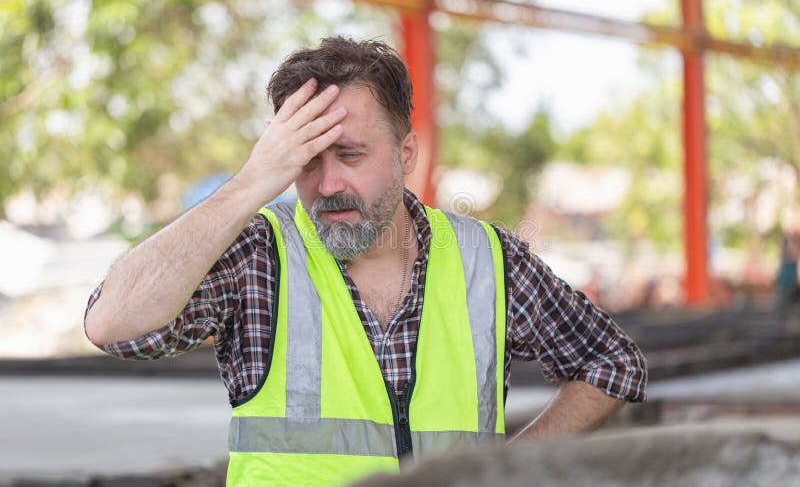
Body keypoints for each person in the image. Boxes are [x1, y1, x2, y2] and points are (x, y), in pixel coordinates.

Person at [84, 37, 647, 486]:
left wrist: (505, 471)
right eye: (307, 160)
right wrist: (253, 181)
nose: (328, 184)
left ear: (406, 153)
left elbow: (613, 364)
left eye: (350, 155)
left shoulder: (487, 259)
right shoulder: (259, 256)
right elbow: (113, 324)